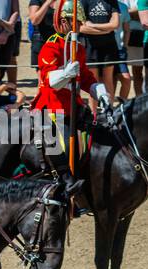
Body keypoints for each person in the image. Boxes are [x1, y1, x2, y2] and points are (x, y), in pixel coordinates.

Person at [32, 0, 111, 169]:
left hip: (74, 106)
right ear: (64, 21)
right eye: (77, 22)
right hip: (53, 109)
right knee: (68, 150)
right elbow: (50, 81)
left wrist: (101, 93)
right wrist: (67, 73)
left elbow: (86, 79)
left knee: (100, 136)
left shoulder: (79, 48)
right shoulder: (51, 46)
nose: (80, 26)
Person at [81, 0, 121, 93]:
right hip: (91, 46)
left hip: (109, 45)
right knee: (93, 82)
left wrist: (92, 25)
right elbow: (81, 27)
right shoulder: (84, 1)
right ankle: (94, 108)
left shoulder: (112, 2)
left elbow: (115, 24)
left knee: (108, 80)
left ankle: (109, 107)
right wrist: (106, 30)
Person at [29, 0, 57, 67]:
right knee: (43, 74)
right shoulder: (36, 1)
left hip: (59, 42)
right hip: (42, 41)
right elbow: (34, 21)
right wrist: (48, 3)